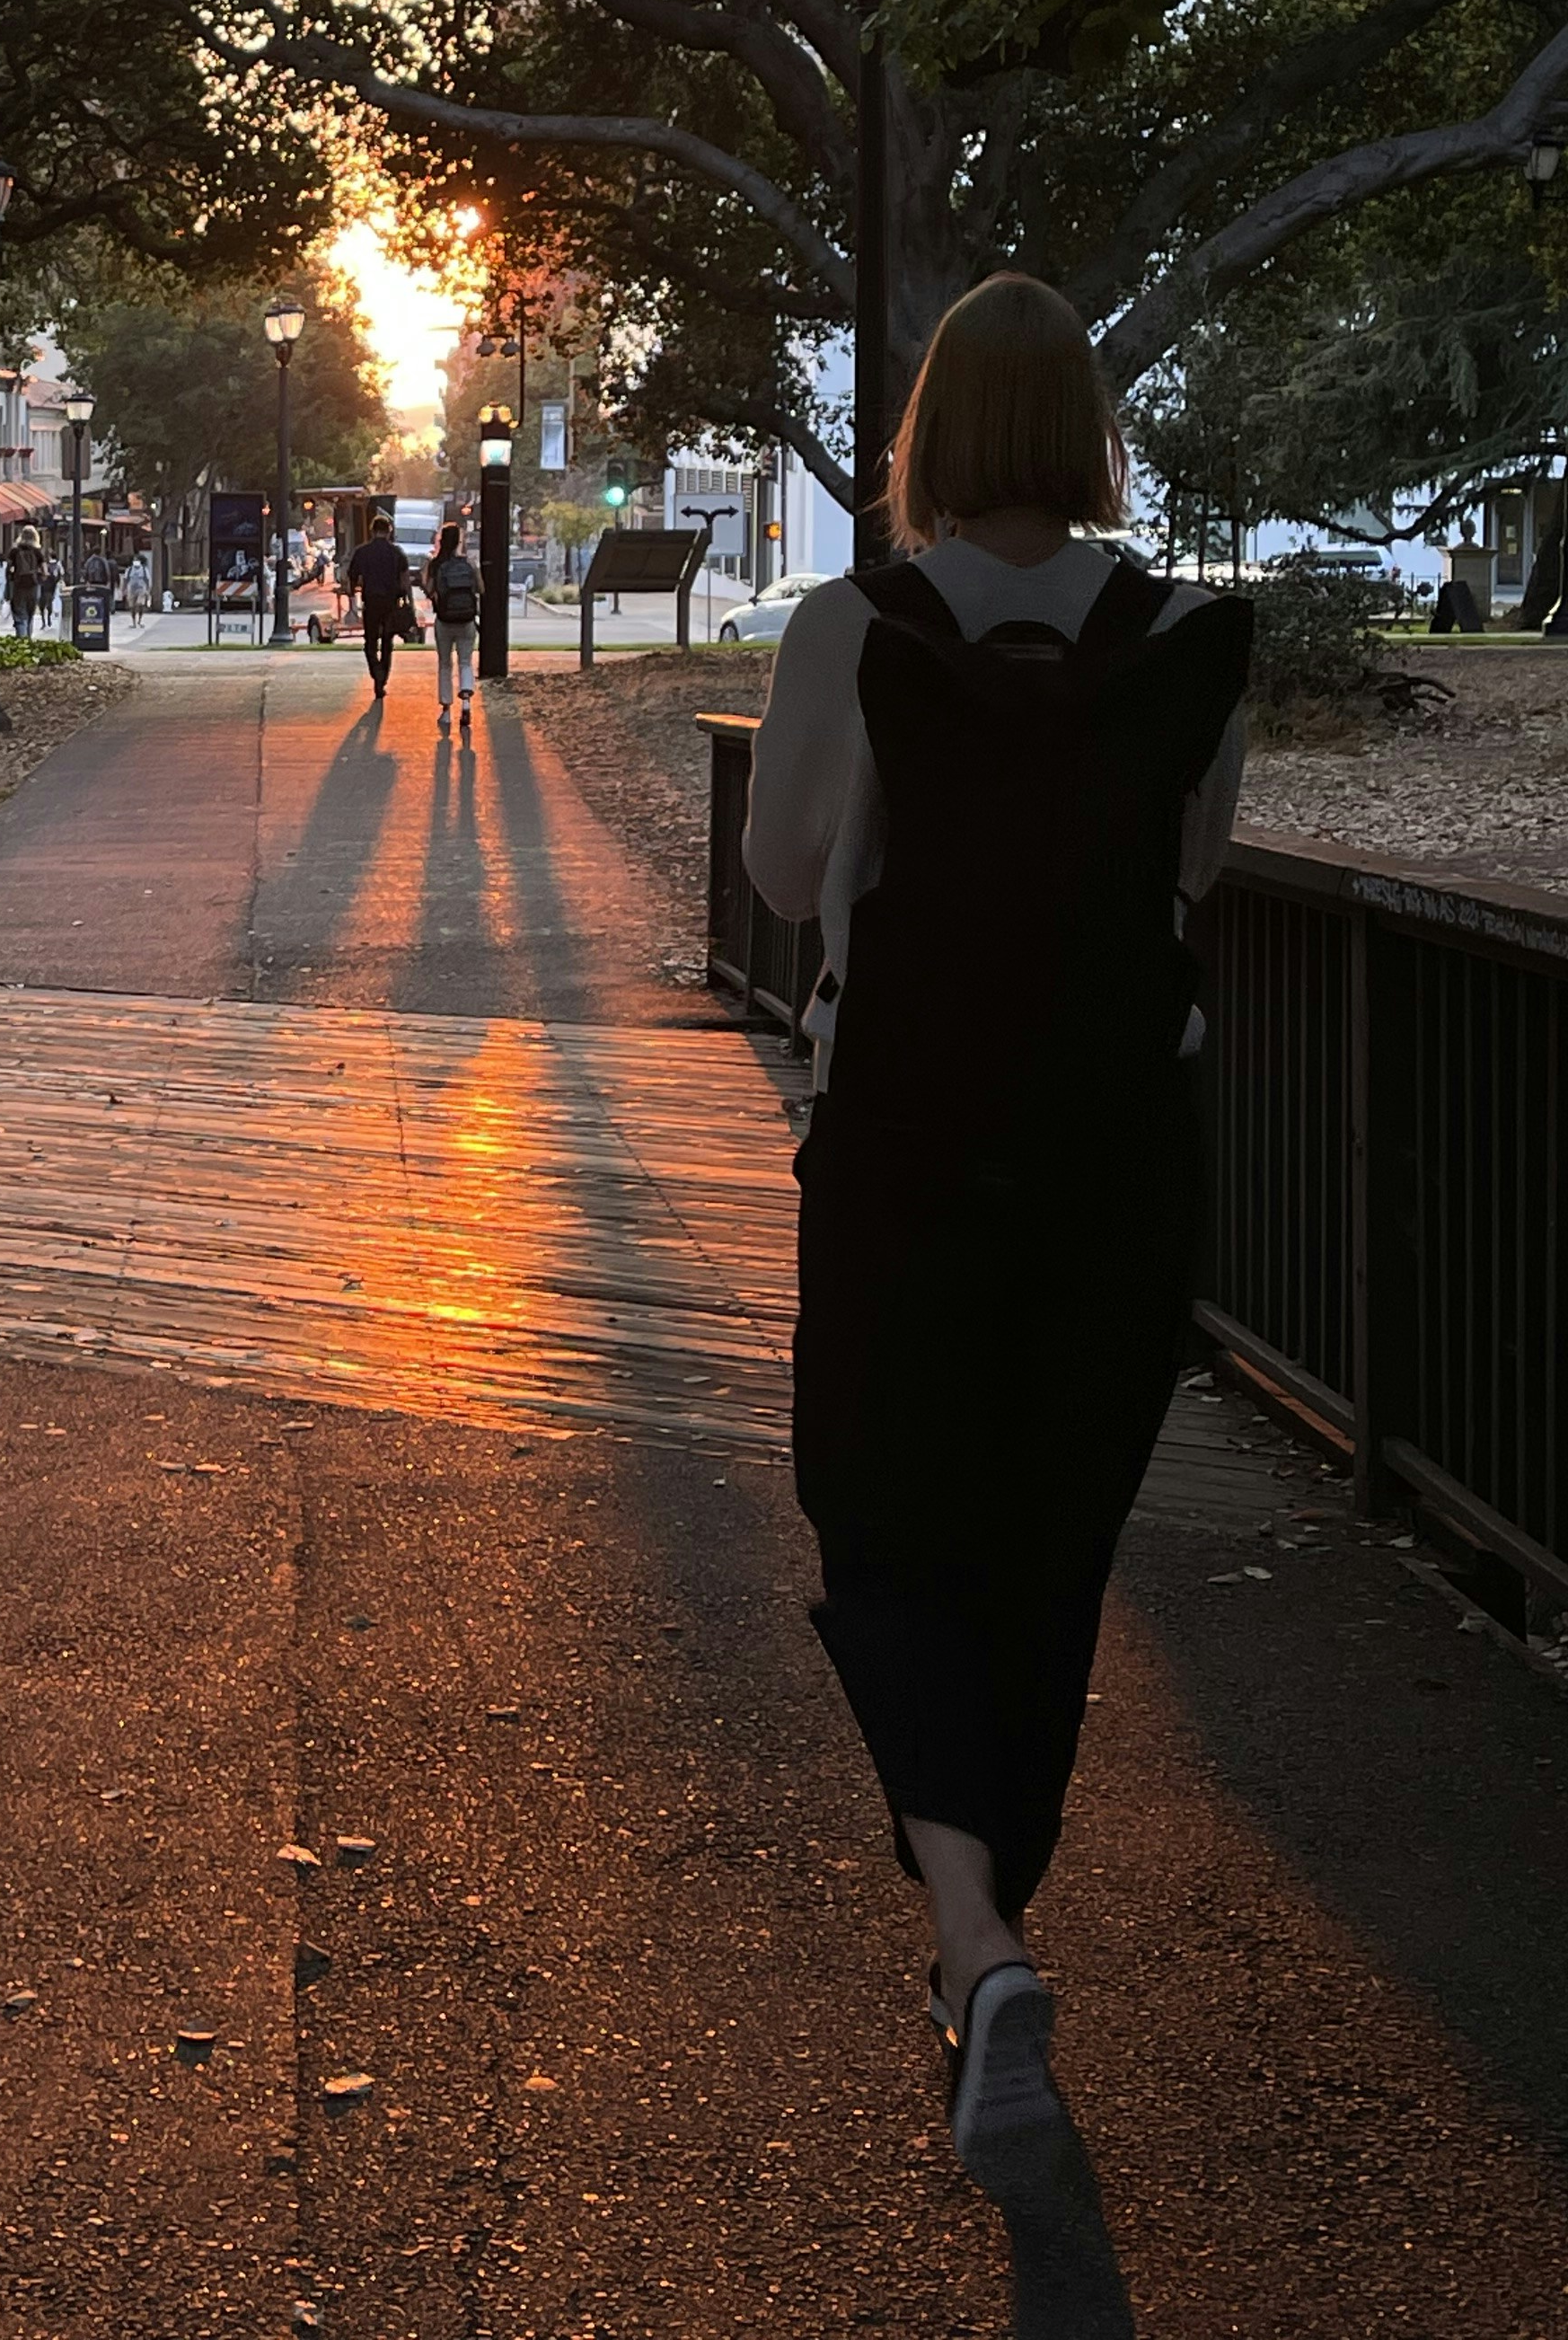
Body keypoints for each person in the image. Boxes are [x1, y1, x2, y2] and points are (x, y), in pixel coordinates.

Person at [742, 275, 1247, 2340]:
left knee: (880, 1522)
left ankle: (975, 1936)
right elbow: (1194, 877)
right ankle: (981, 1954)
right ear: (1096, 436)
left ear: (933, 434)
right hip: (1124, 1171)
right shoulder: (1188, 637)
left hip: (904, 1157)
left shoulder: (858, 626)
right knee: (1045, 1555)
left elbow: (783, 880)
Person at [346, 508, 412, 702]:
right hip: (391, 603)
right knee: (387, 641)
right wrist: (409, 603)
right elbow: (405, 580)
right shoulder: (397, 553)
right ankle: (381, 680)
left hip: (371, 601)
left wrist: (353, 597)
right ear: (389, 530)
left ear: (372, 530)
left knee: (370, 641)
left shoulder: (362, 552)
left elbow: (352, 577)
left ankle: (375, 670)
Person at [424, 518, 482, 732]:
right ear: (459, 541)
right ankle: (466, 700)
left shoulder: (435, 564)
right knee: (465, 661)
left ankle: (446, 710)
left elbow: (429, 589)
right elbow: (481, 589)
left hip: (444, 619)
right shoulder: (468, 564)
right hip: (466, 619)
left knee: (445, 664)